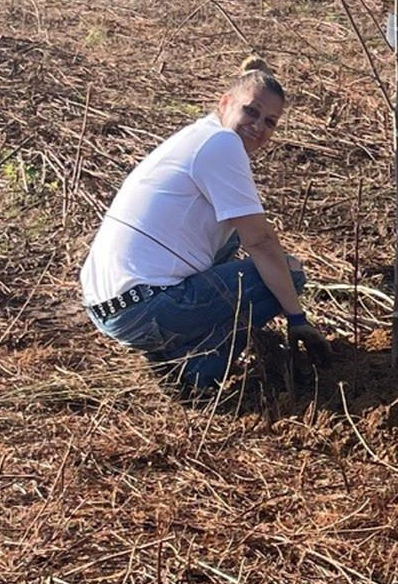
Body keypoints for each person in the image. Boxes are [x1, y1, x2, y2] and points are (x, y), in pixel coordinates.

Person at [79, 55, 330, 396]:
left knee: (226, 241)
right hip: (145, 308)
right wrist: (297, 319)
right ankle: (193, 371)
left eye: (270, 122)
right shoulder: (221, 144)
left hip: (109, 306)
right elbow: (260, 241)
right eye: (251, 111)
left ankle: (172, 347)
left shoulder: (198, 135)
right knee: (288, 272)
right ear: (225, 102)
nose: (258, 126)